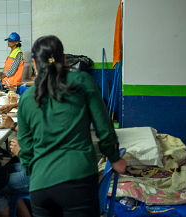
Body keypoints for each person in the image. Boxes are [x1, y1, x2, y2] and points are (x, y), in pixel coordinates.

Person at [17, 35, 127, 217]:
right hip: (78, 181)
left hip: (41, 187)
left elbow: (26, 149)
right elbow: (104, 127)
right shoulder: (83, 81)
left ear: (35, 64)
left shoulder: (27, 98)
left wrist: (36, 173)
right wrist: (115, 159)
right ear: (65, 59)